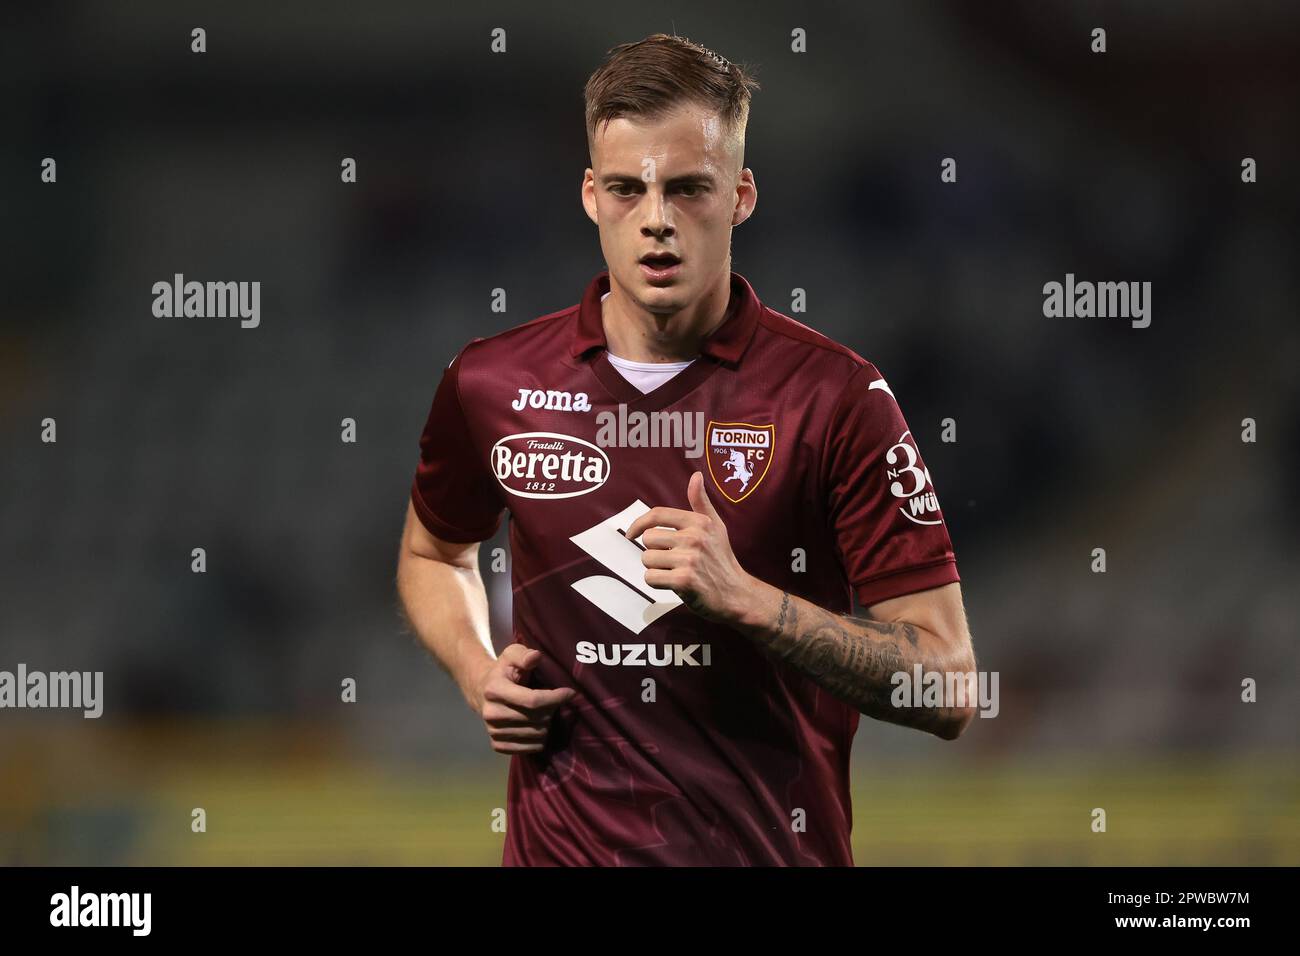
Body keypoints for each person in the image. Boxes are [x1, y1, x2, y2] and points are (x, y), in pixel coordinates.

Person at [396, 33, 977, 866]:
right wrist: (473, 666)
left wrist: (751, 601)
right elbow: (433, 551)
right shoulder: (490, 383)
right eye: (628, 190)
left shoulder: (836, 399)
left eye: (688, 189)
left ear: (741, 195)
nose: (658, 220)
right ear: (592, 197)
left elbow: (950, 685)